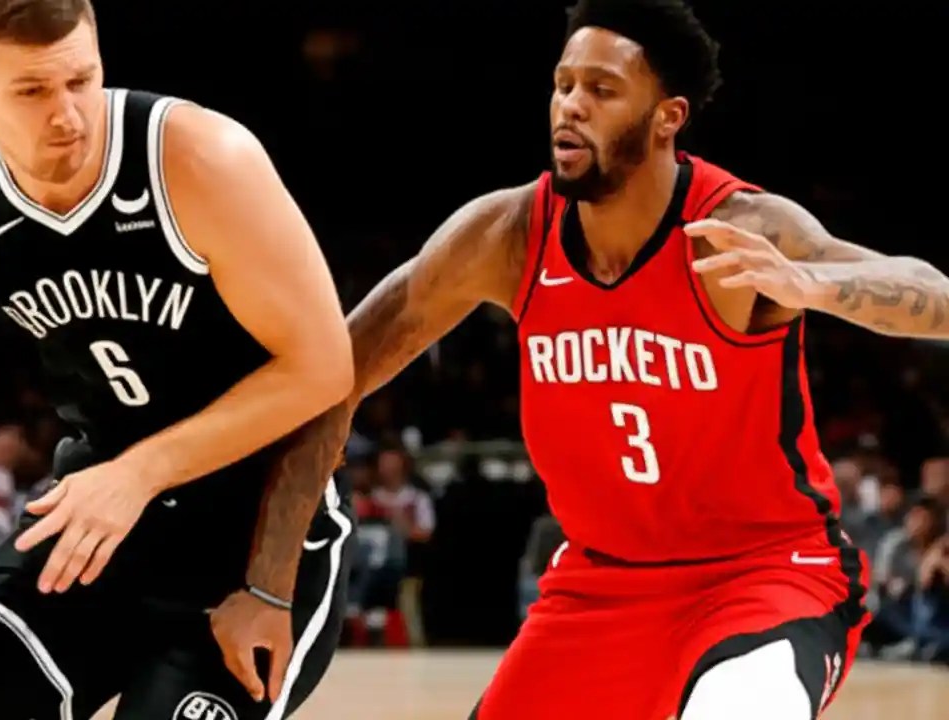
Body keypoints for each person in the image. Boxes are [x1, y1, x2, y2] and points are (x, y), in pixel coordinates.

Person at [265, 0, 949, 718]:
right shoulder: (509, 236)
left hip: (766, 577)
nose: (571, 106)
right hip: (602, 586)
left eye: (602, 89)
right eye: (563, 85)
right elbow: (332, 377)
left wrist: (814, 284)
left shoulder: (735, 230)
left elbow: (934, 294)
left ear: (667, 117)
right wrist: (265, 582)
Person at [0, 0, 356, 717]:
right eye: (32, 91)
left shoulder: (199, 160)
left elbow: (323, 366)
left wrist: (140, 472)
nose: (68, 116)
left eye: (81, 80)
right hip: (94, 520)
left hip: (262, 526)